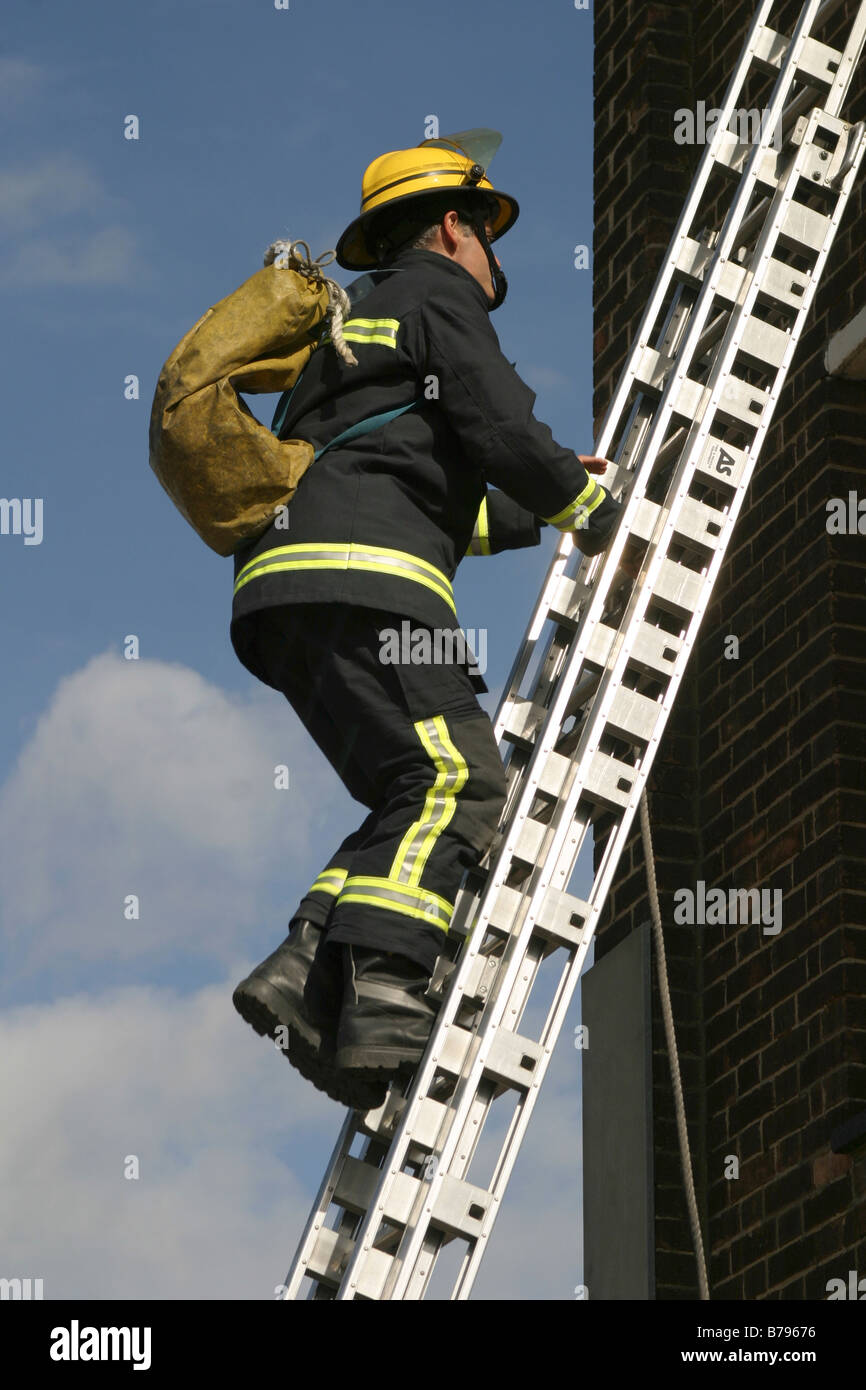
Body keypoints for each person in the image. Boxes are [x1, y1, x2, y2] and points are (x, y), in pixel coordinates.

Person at [230, 129, 620, 1111]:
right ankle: (388, 994)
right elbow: (496, 425)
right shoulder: (433, 294)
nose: (496, 259)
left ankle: (308, 968)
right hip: (366, 582)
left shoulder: (348, 333)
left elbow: (421, 490)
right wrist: (593, 511)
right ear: (453, 226)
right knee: (457, 776)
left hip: (289, 593)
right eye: (489, 234)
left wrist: (543, 503)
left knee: (409, 785)